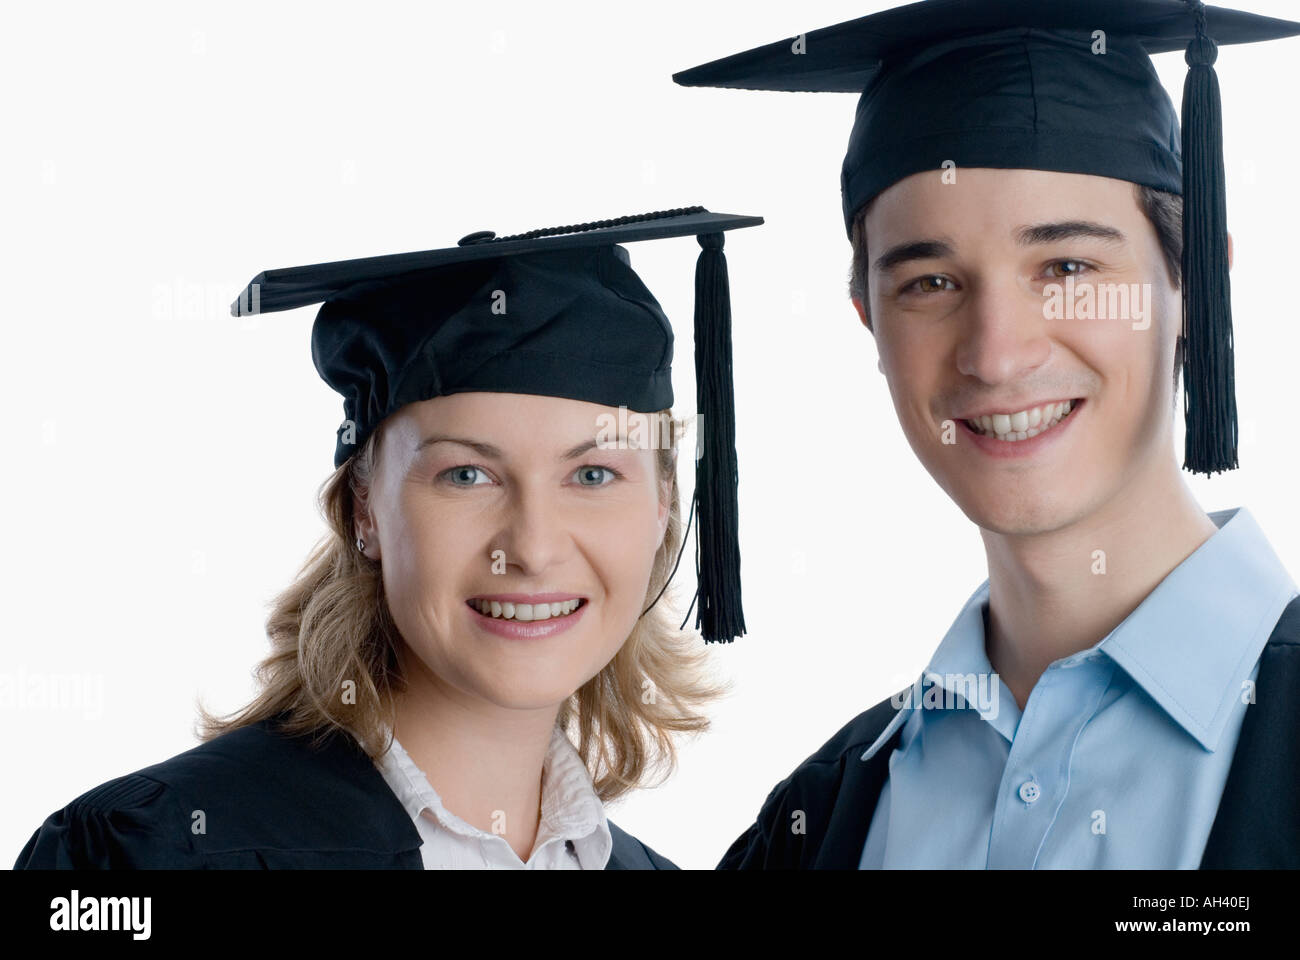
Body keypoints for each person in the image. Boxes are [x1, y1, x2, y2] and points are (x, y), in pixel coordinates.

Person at [675, 0, 1300, 867]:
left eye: (1068, 267)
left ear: (1192, 283)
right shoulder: (822, 821)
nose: (997, 355)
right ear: (868, 322)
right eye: (930, 283)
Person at [13, 206, 762, 870]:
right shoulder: (147, 856)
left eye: (593, 475)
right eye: (468, 475)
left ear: (665, 503)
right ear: (363, 508)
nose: (532, 548)